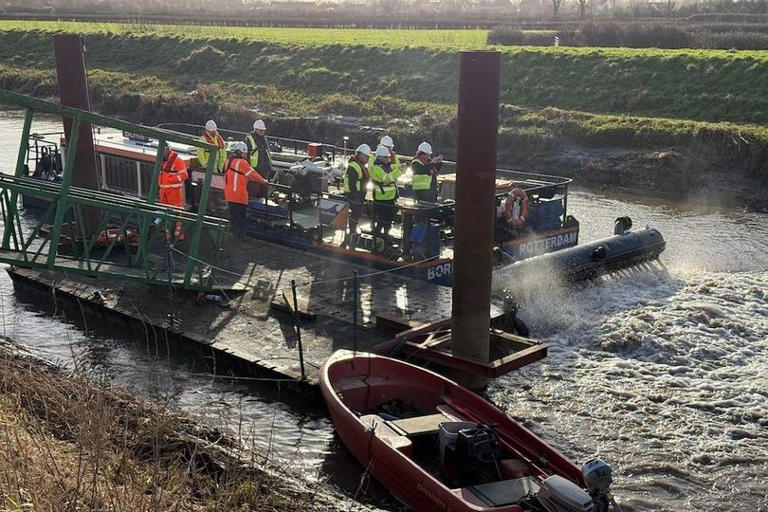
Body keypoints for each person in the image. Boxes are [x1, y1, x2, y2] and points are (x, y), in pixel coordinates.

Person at [224, 141, 267, 238]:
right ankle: (240, 236)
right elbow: (253, 174)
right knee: (241, 217)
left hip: (229, 193)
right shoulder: (242, 163)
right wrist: (264, 181)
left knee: (233, 215)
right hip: (239, 195)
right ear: (242, 152)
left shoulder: (228, 162)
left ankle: (232, 233)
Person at [369, 145, 402, 246]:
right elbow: (387, 179)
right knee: (381, 222)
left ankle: (385, 238)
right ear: (380, 157)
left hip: (390, 198)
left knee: (388, 221)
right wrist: (399, 171)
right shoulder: (376, 168)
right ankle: (378, 240)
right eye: (386, 157)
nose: (388, 159)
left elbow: (393, 172)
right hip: (381, 199)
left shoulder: (387, 167)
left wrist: (400, 168)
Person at [341, 143, 371, 245]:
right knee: (355, 212)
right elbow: (352, 183)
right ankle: (352, 230)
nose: (367, 158)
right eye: (366, 156)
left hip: (358, 194)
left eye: (368, 157)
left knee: (356, 212)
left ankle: (353, 229)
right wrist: (356, 195)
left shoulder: (360, 165)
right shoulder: (354, 166)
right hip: (353, 194)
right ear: (360, 155)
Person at [158, 146, 189, 240]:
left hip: (173, 191)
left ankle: (178, 235)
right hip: (164, 191)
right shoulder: (162, 160)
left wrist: (171, 180)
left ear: (168, 150)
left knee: (177, 213)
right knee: (166, 213)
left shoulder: (177, 160)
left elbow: (184, 175)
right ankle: (168, 235)